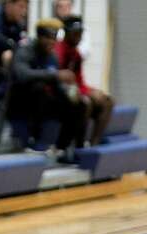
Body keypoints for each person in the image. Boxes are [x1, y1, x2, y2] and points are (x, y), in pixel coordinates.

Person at [7, 18, 85, 153]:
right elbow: (22, 75)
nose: (51, 42)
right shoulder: (25, 50)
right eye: (48, 38)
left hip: (41, 101)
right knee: (40, 90)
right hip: (19, 100)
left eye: (54, 38)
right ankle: (31, 139)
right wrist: (54, 75)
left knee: (78, 104)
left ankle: (63, 147)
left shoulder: (52, 56)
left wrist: (71, 92)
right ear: (39, 36)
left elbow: (56, 85)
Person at [56, 16, 114, 147]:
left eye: (81, 33)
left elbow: (79, 81)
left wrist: (92, 92)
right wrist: (84, 94)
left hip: (73, 90)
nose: (79, 37)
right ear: (67, 33)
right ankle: (79, 146)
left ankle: (94, 144)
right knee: (85, 103)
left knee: (107, 101)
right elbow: (56, 82)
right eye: (76, 33)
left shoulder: (76, 53)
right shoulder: (58, 50)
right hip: (58, 93)